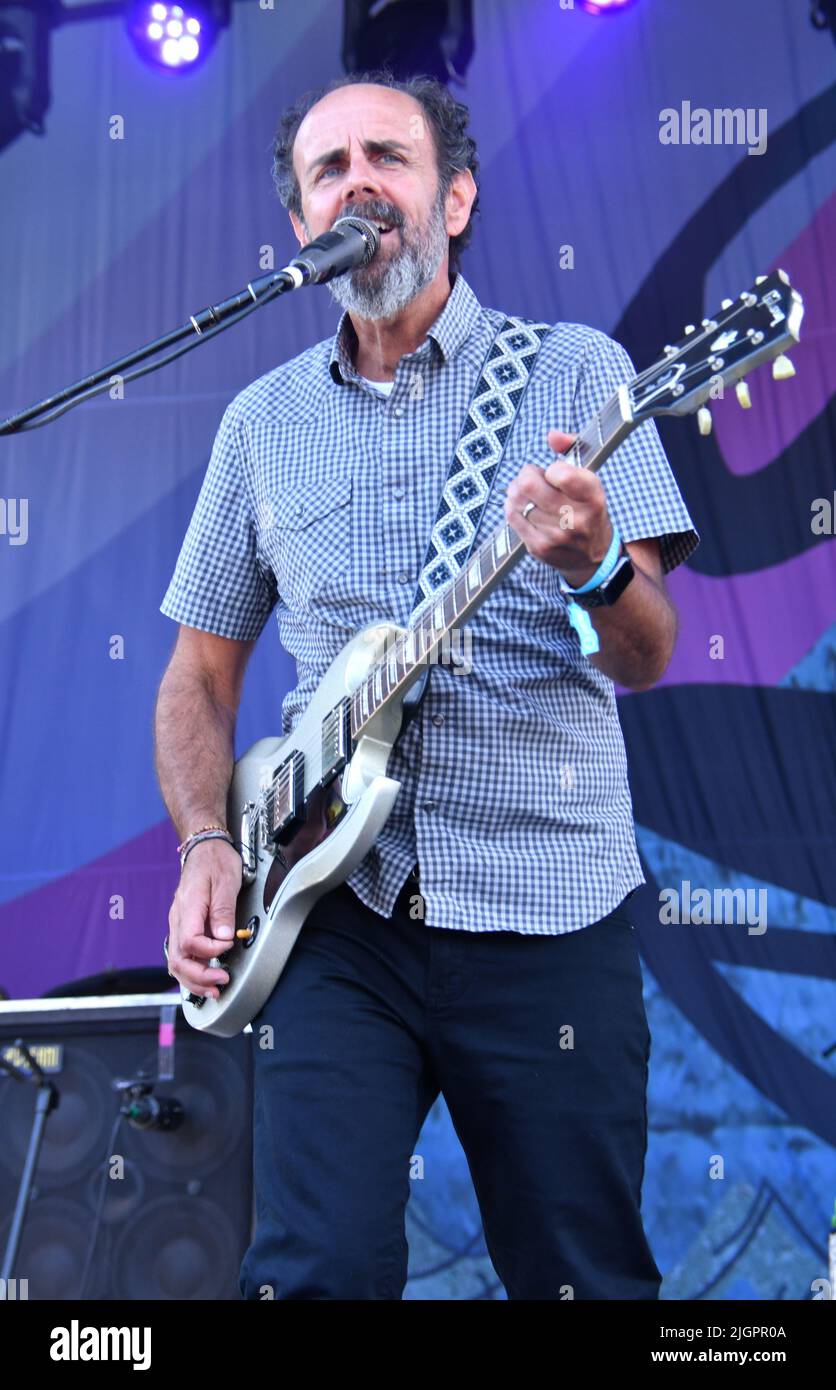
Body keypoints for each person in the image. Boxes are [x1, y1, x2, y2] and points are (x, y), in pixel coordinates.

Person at [155, 69, 699, 1301]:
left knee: (582, 1276)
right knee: (314, 1272)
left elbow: (647, 652)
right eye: (327, 169)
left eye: (386, 159)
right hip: (332, 913)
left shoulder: (571, 375)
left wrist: (596, 563)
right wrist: (203, 839)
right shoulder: (260, 422)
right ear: (301, 228)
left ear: (452, 198)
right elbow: (196, 672)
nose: (358, 182)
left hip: (543, 897)